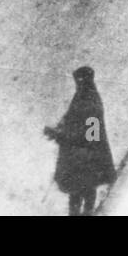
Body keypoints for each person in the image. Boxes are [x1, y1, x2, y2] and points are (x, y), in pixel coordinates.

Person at [44, 66, 116, 215]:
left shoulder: (90, 98)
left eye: (80, 80)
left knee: (86, 186)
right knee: (78, 187)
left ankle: (86, 212)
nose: (78, 82)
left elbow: (93, 125)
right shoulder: (81, 95)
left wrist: (85, 147)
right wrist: (58, 132)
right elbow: (69, 119)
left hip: (85, 151)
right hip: (78, 150)